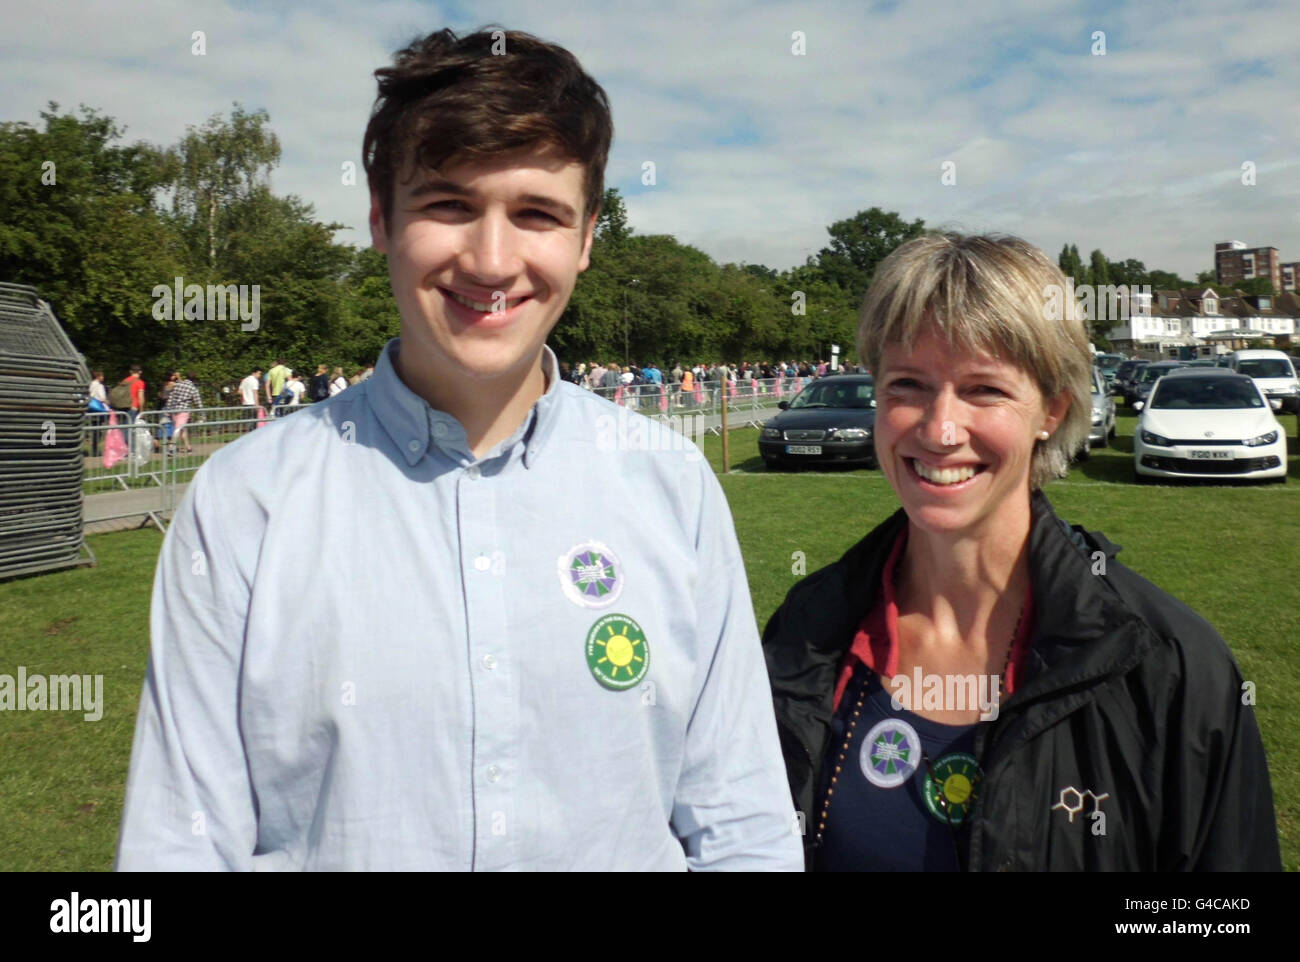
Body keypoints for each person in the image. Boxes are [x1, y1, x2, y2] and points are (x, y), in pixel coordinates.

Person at [116, 26, 800, 873]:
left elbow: (742, 825)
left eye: (538, 214)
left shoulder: (673, 486)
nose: (491, 259)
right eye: (448, 205)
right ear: (381, 220)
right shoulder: (245, 502)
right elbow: (178, 848)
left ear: (586, 238)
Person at [762, 232, 1282, 872]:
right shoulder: (807, 629)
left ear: (1051, 409)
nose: (940, 429)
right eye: (908, 385)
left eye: (984, 389)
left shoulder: (1169, 666)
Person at [163, 372, 201, 454]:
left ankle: (188, 448)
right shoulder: (193, 388)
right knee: (178, 430)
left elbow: (170, 398)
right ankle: (171, 447)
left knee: (181, 430)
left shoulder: (177, 385)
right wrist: (202, 415)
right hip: (184, 411)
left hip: (174, 411)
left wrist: (168, 410)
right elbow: (198, 402)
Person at [87, 370, 109, 456]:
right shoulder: (100, 386)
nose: (103, 378)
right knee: (98, 431)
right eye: (102, 376)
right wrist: (107, 403)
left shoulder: (91, 384)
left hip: (91, 409)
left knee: (94, 430)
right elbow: (102, 398)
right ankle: (95, 450)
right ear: (98, 376)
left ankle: (93, 449)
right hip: (99, 409)